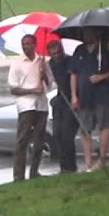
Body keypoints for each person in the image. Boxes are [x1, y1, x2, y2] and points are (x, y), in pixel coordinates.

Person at [71, 28, 109, 172]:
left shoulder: (105, 49)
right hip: (84, 97)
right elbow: (74, 74)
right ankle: (88, 164)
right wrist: (74, 95)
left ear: (96, 33)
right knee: (85, 129)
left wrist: (101, 77)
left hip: (103, 96)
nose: (87, 36)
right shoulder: (79, 50)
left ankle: (102, 160)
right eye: (85, 33)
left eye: (89, 33)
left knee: (104, 126)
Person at [7, 35, 52, 181]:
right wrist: (32, 90)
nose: (26, 47)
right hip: (26, 105)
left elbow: (50, 83)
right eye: (23, 44)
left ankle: (34, 171)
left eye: (28, 44)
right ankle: (18, 174)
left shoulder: (42, 61)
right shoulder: (17, 63)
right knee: (23, 140)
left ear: (35, 44)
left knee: (39, 140)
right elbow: (13, 88)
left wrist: (44, 74)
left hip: (41, 105)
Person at [45, 39, 77, 173]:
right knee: (57, 133)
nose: (56, 56)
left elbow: (73, 78)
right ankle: (63, 166)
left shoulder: (69, 61)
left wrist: (74, 97)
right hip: (60, 100)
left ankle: (70, 166)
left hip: (70, 99)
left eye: (58, 52)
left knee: (67, 134)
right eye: (53, 54)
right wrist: (44, 73)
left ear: (62, 50)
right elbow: (48, 84)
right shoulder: (50, 64)